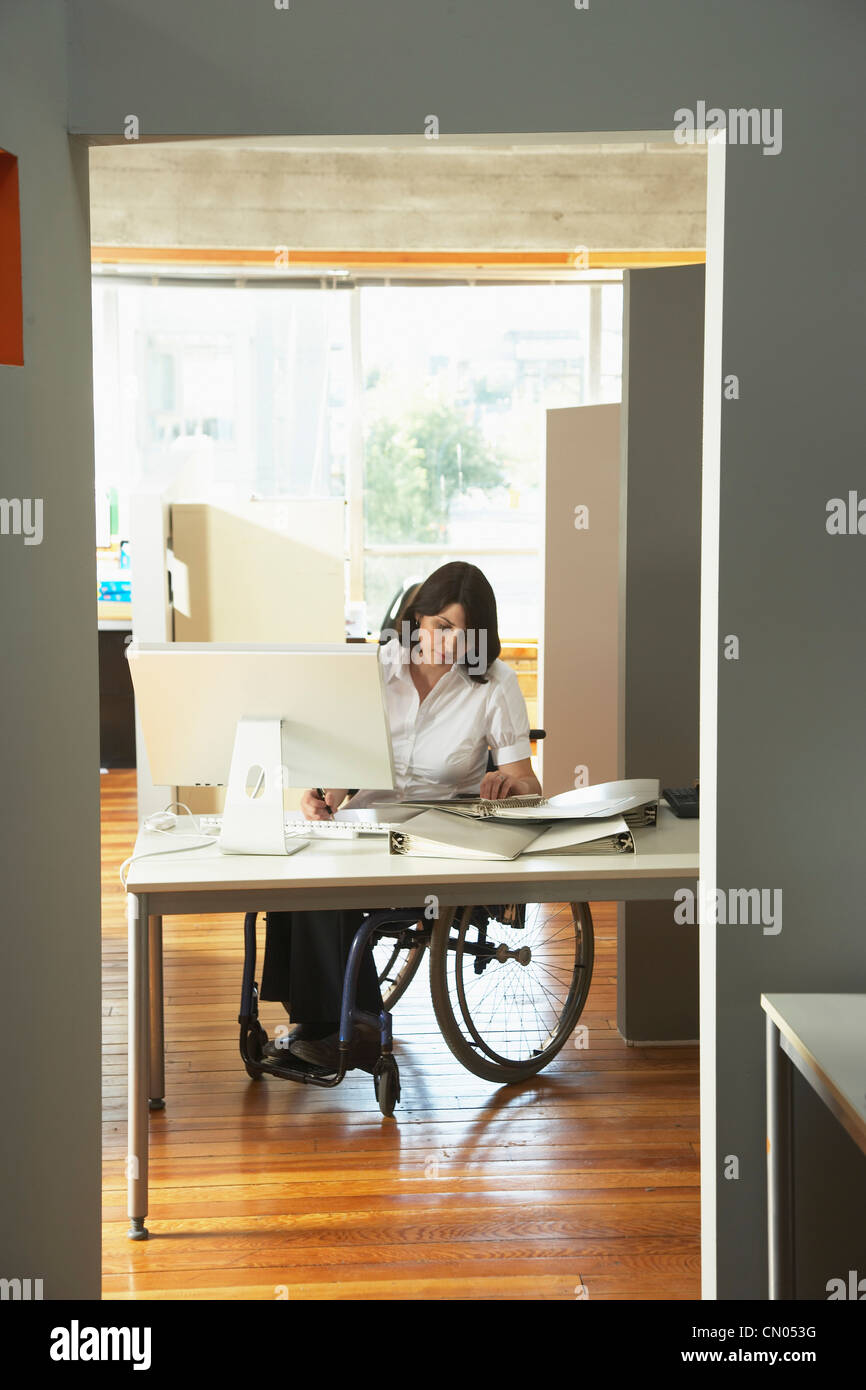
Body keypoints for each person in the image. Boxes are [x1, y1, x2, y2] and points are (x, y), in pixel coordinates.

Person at [258, 560, 541, 1072]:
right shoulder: (374, 670)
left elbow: (529, 786)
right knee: (302, 867)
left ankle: (346, 1029)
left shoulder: (493, 683)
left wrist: (508, 786)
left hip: (441, 838)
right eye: (443, 627)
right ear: (417, 616)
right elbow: (345, 761)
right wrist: (320, 796)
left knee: (341, 882)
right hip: (369, 826)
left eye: (466, 632)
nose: (452, 643)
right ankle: (325, 1024)